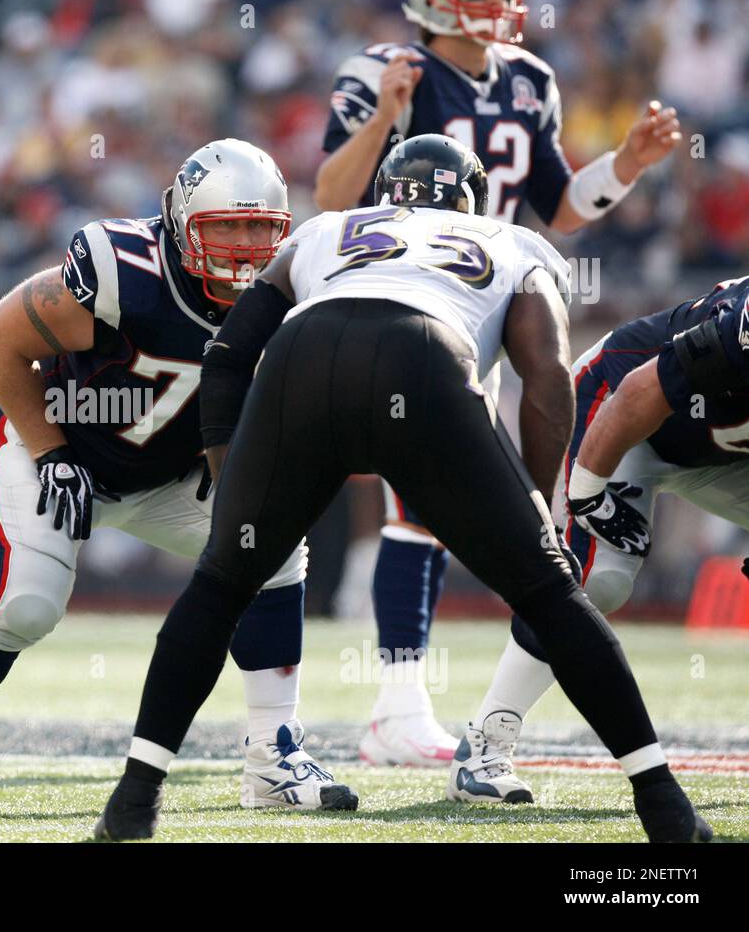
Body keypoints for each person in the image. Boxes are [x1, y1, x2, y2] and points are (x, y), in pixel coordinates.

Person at [95, 134, 710, 844]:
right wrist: (541, 504)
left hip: (306, 359)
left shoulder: (328, 230)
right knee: (551, 594)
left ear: (388, 193)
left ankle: (134, 801)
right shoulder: (510, 241)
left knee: (220, 585)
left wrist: (236, 483)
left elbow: (230, 352)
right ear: (468, 198)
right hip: (423, 360)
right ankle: (663, 805)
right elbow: (546, 376)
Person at [0, 139, 352, 814]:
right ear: (181, 225)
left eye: (259, 228)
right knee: (25, 605)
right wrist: (51, 451)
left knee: (271, 545)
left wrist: (235, 463)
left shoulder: (292, 286)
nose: (245, 247)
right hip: (59, 452)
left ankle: (272, 757)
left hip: (169, 476)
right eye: (225, 227)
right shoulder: (124, 272)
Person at [314, 0, 683, 766]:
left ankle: (400, 705)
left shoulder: (528, 78)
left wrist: (623, 164)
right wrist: (385, 114)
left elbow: (559, 204)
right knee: (418, 502)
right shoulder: (386, 67)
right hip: (405, 296)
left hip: (490, 305)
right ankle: (397, 706)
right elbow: (330, 196)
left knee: (432, 505)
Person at [451, 273, 749, 802]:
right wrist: (587, 494)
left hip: (720, 452)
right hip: (623, 418)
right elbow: (637, 394)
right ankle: (483, 747)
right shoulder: (731, 330)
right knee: (598, 579)